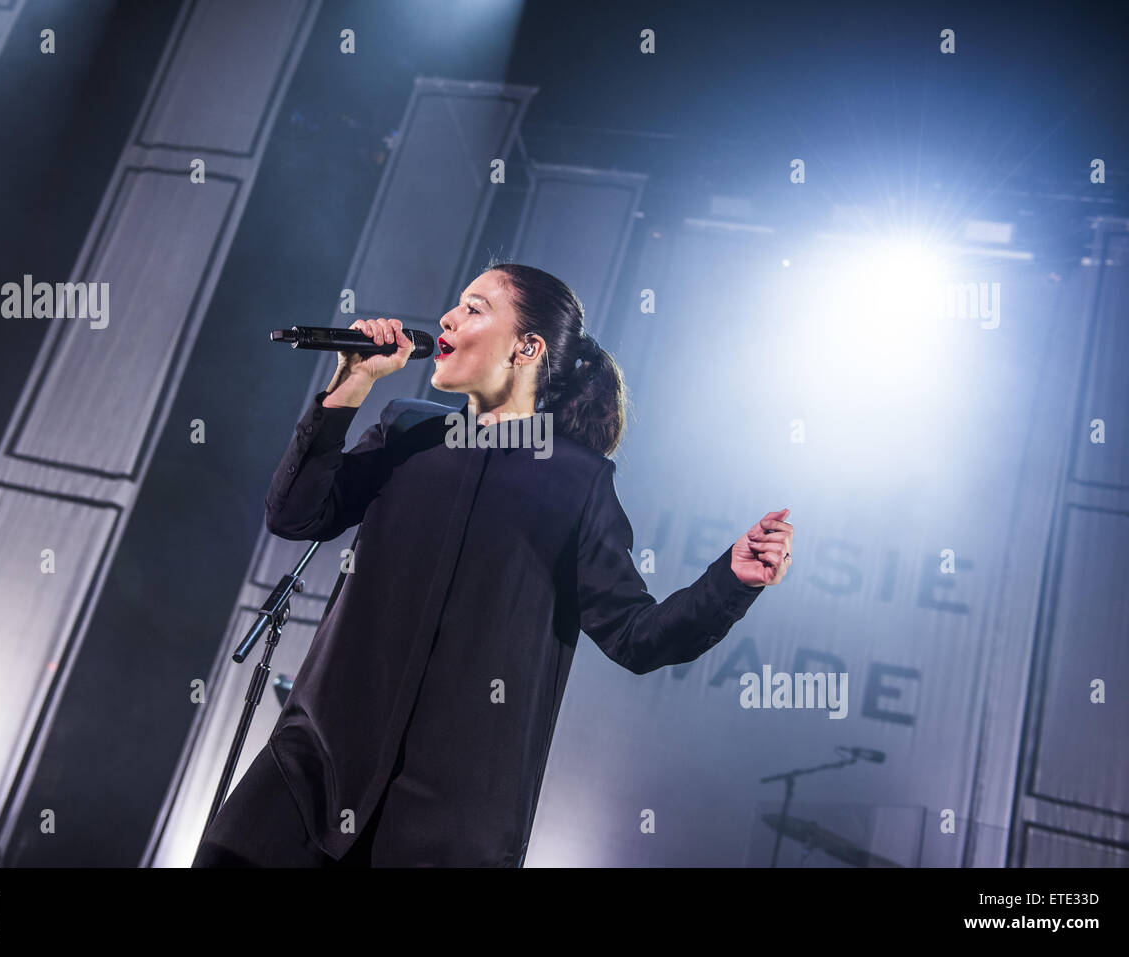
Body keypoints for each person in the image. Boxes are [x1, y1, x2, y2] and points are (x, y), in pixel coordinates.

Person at [192, 261, 792, 867]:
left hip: (449, 823)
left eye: (475, 308)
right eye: (455, 304)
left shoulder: (577, 482)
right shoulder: (407, 430)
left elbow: (637, 637)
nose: (447, 318)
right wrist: (349, 388)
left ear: (526, 348)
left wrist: (729, 582)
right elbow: (295, 516)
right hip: (314, 768)